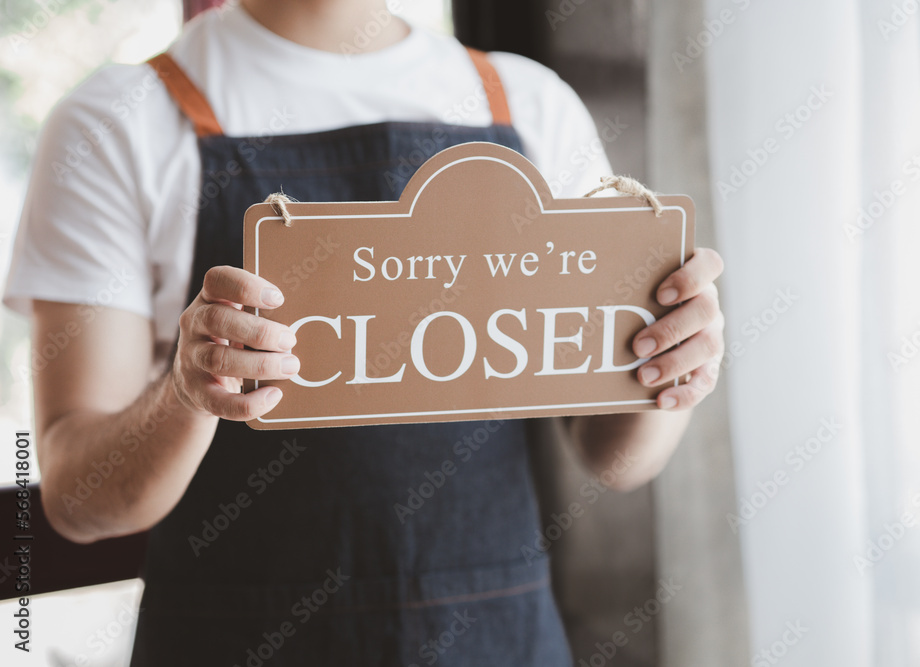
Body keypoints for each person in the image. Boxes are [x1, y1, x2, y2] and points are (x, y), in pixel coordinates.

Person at [3, 0, 725, 664]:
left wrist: (672, 365)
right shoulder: (117, 119)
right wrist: (189, 396)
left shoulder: (531, 102)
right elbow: (75, 498)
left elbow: (614, 457)